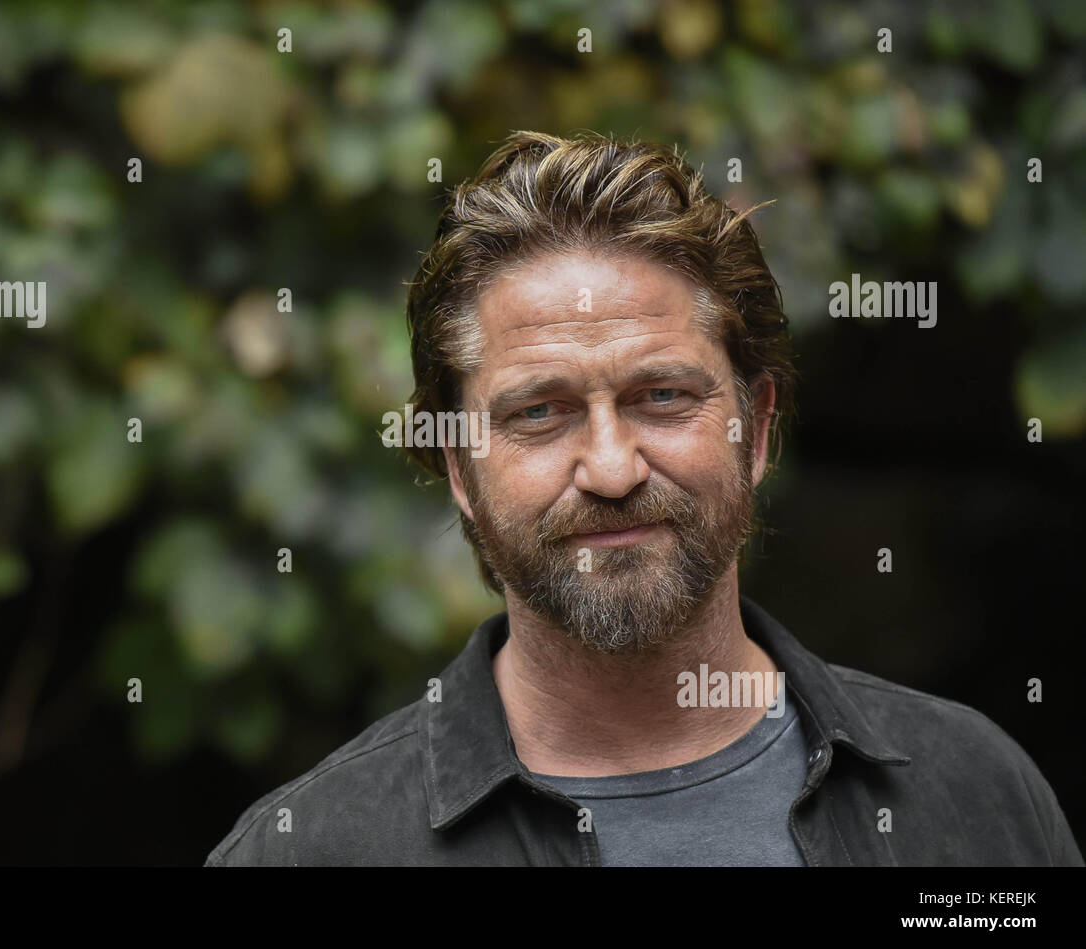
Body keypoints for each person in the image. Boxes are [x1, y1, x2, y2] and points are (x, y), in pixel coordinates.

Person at [205, 131, 1082, 866]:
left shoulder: (973, 799)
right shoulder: (310, 851)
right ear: (462, 472)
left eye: (662, 396)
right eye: (539, 412)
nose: (613, 468)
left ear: (759, 428)